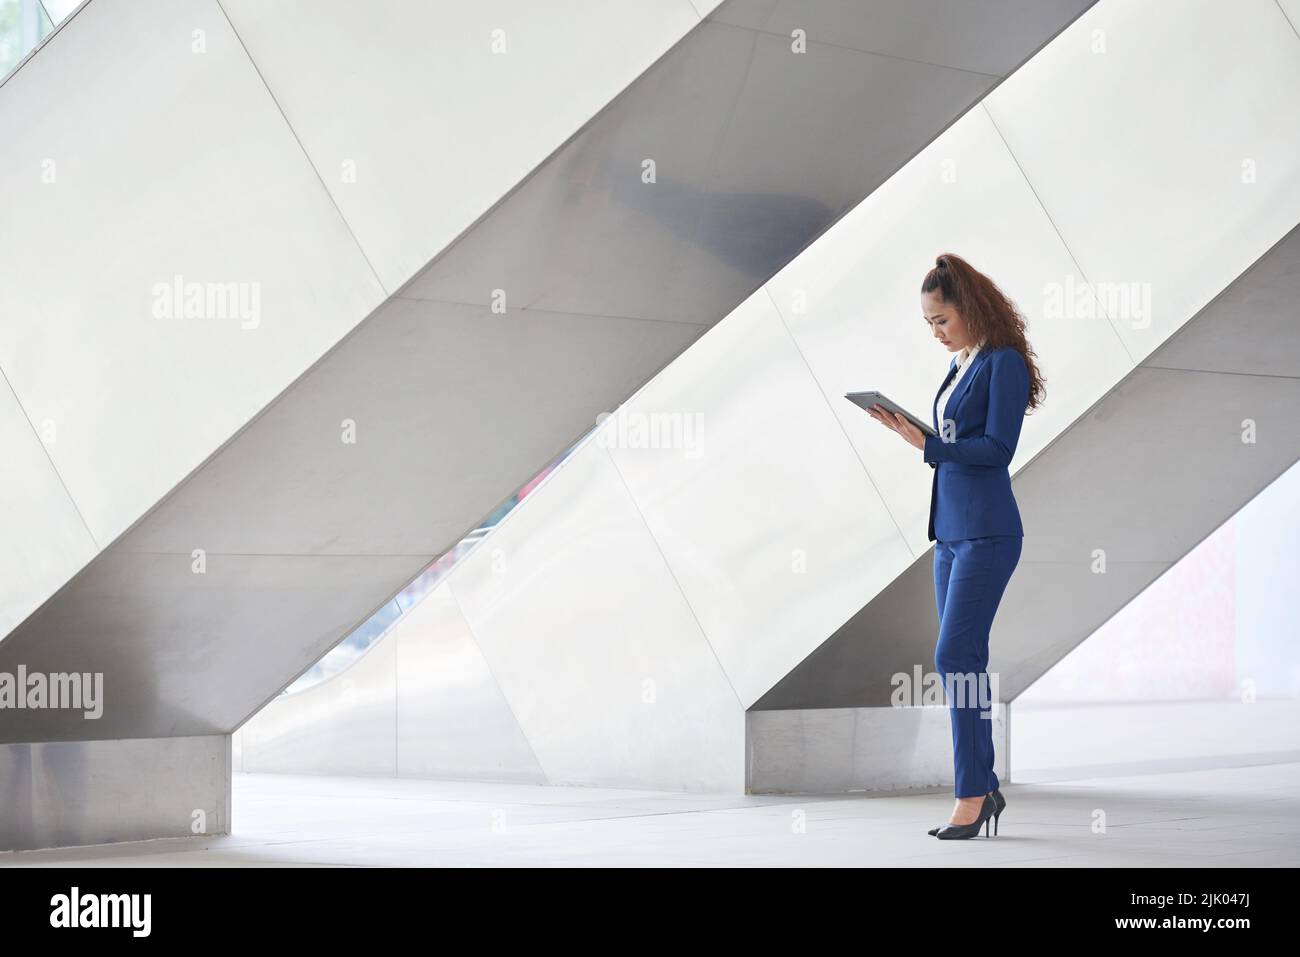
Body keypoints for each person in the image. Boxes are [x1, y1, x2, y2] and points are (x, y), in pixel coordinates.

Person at [866, 252, 1045, 840]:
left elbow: (997, 451)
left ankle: (973, 792)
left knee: (953, 657)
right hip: (949, 533)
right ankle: (982, 785)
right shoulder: (962, 364)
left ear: (968, 309)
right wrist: (913, 434)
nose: (936, 333)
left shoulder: (1003, 363)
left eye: (941, 320)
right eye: (928, 324)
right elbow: (950, 441)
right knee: (961, 660)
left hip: (989, 533)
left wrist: (927, 444)